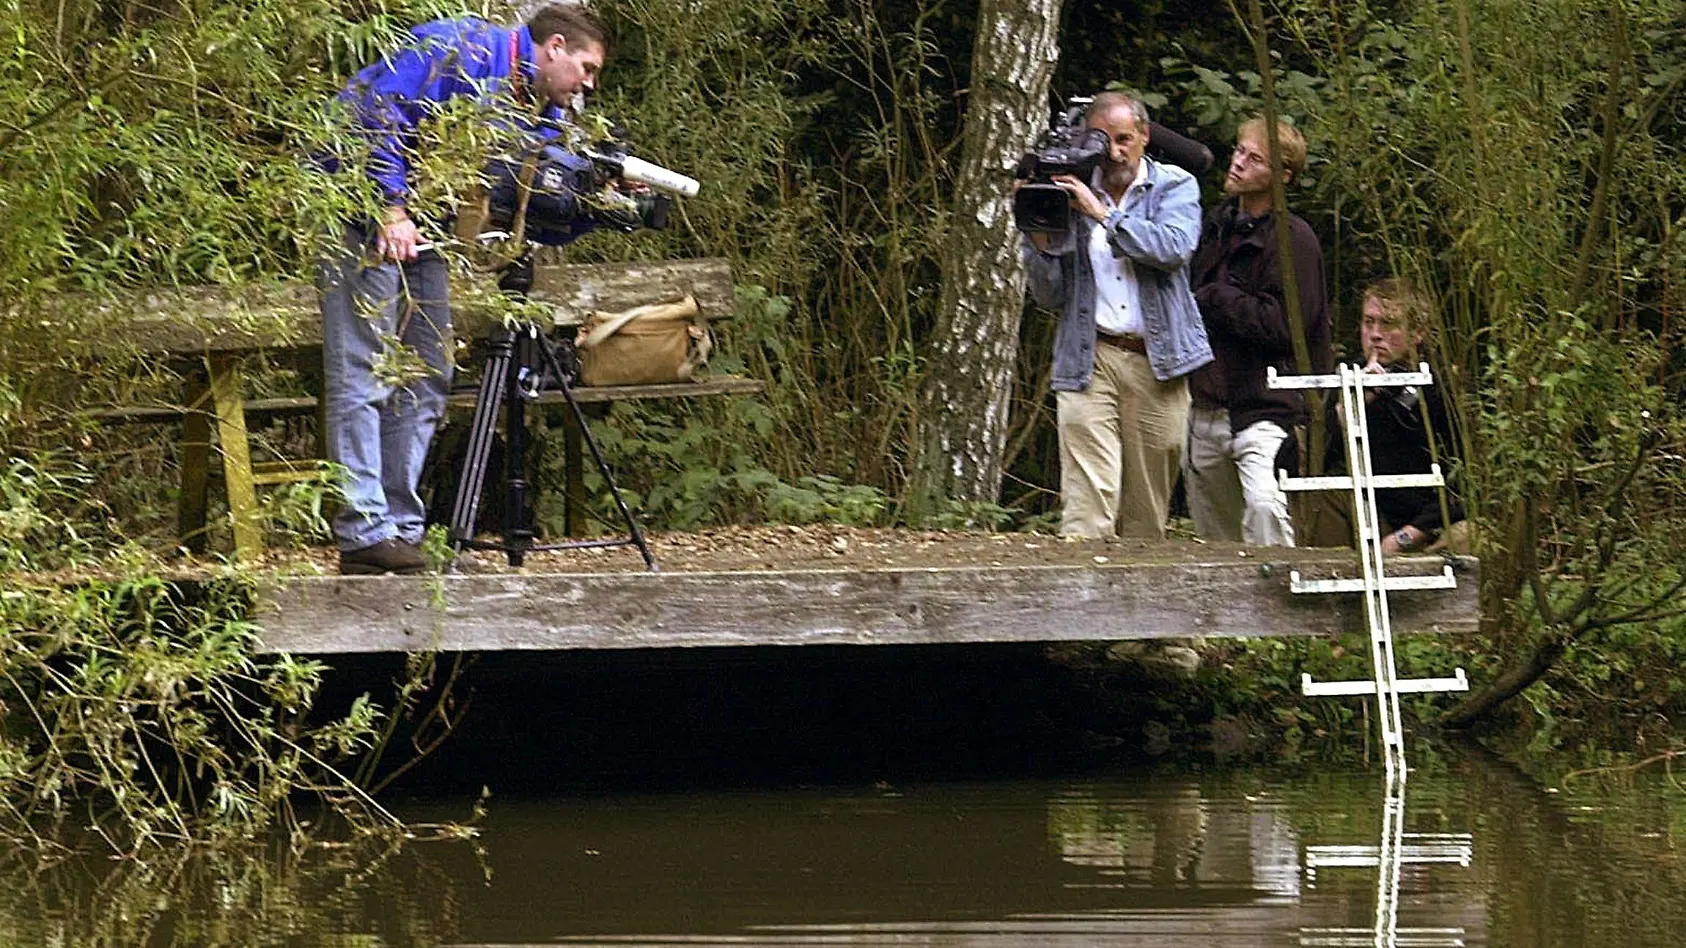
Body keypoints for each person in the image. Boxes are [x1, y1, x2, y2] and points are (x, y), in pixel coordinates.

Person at [315, 5, 608, 574]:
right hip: (354, 199)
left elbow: (530, 198)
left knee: (427, 371)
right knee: (365, 366)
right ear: (553, 47)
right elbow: (379, 112)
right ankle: (363, 532)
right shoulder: (464, 48)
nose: (588, 85)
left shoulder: (538, 107)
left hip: (425, 222)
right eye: (587, 68)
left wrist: (596, 198)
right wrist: (389, 206)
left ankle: (399, 529)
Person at [1020, 92, 1213, 539]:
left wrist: (1102, 214)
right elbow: (1049, 297)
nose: (1115, 152)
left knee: (1145, 511)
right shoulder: (1067, 187)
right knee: (1088, 508)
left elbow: (1172, 248)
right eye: (1103, 141)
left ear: (1144, 136)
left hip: (1158, 360)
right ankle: (1081, 598)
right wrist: (1040, 240)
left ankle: (1137, 602)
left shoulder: (1175, 185)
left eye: (1125, 139)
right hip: (1090, 354)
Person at [1183, 117, 1331, 547]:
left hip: (1269, 409)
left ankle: (1282, 612)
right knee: (1217, 542)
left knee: (1267, 510)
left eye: (1254, 158)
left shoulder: (1294, 239)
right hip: (1208, 404)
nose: (1238, 163)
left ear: (1282, 177)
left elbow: (1286, 326)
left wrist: (1214, 297)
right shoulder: (1216, 224)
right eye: (1238, 151)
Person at [1351, 277, 1467, 555]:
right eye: (1369, 323)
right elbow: (1290, 464)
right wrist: (1349, 409)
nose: (1376, 334)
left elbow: (1463, 484)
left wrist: (1405, 537)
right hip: (1369, 519)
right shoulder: (1349, 376)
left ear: (1417, 333)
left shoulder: (1439, 386)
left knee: (1471, 535)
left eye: (1388, 324)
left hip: (1428, 527)